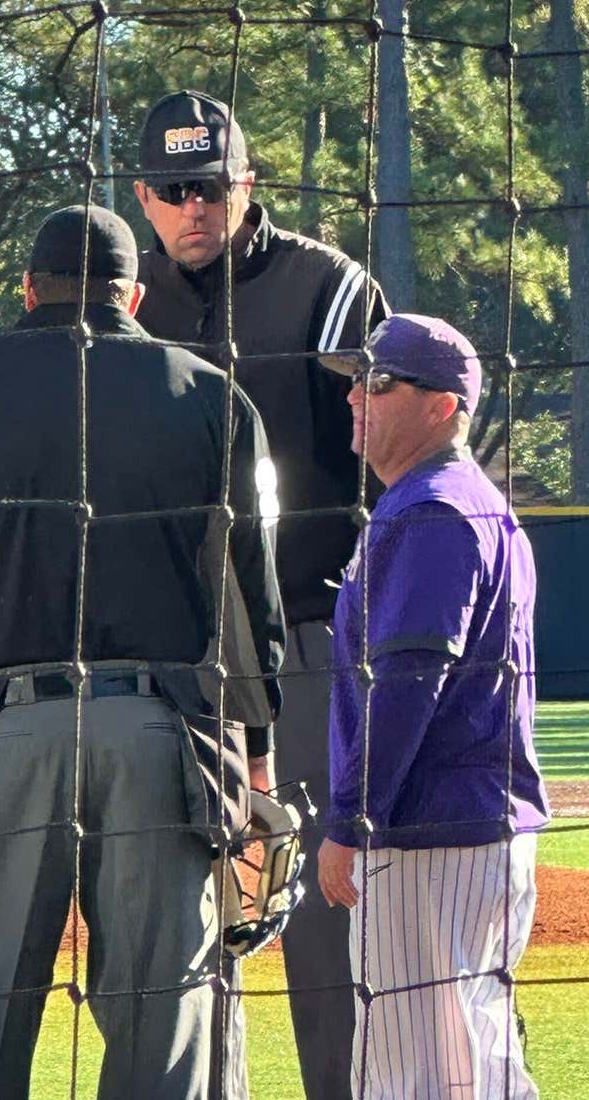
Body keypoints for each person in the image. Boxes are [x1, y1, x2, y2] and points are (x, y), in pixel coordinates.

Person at [0, 204, 286, 1100]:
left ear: (29, 288)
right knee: (160, 1014)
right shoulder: (210, 388)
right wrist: (254, 754)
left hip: (12, 725)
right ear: (133, 295)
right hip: (161, 731)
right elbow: (246, 594)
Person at [133, 88, 388, 1100]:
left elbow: (389, 456)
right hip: (166, 653)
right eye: (173, 189)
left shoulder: (326, 286)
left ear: (250, 183)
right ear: (144, 196)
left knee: (324, 909)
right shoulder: (128, 298)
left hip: (309, 635)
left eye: (212, 186)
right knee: (182, 918)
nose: (194, 207)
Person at [317, 315, 549, 1100]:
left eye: (378, 382)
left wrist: (350, 819)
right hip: (460, 825)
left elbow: (409, 681)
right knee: (469, 1061)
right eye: (356, 378)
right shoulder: (446, 502)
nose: (356, 394)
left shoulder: (434, 511)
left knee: (424, 1073)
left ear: (442, 405)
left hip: (428, 831)